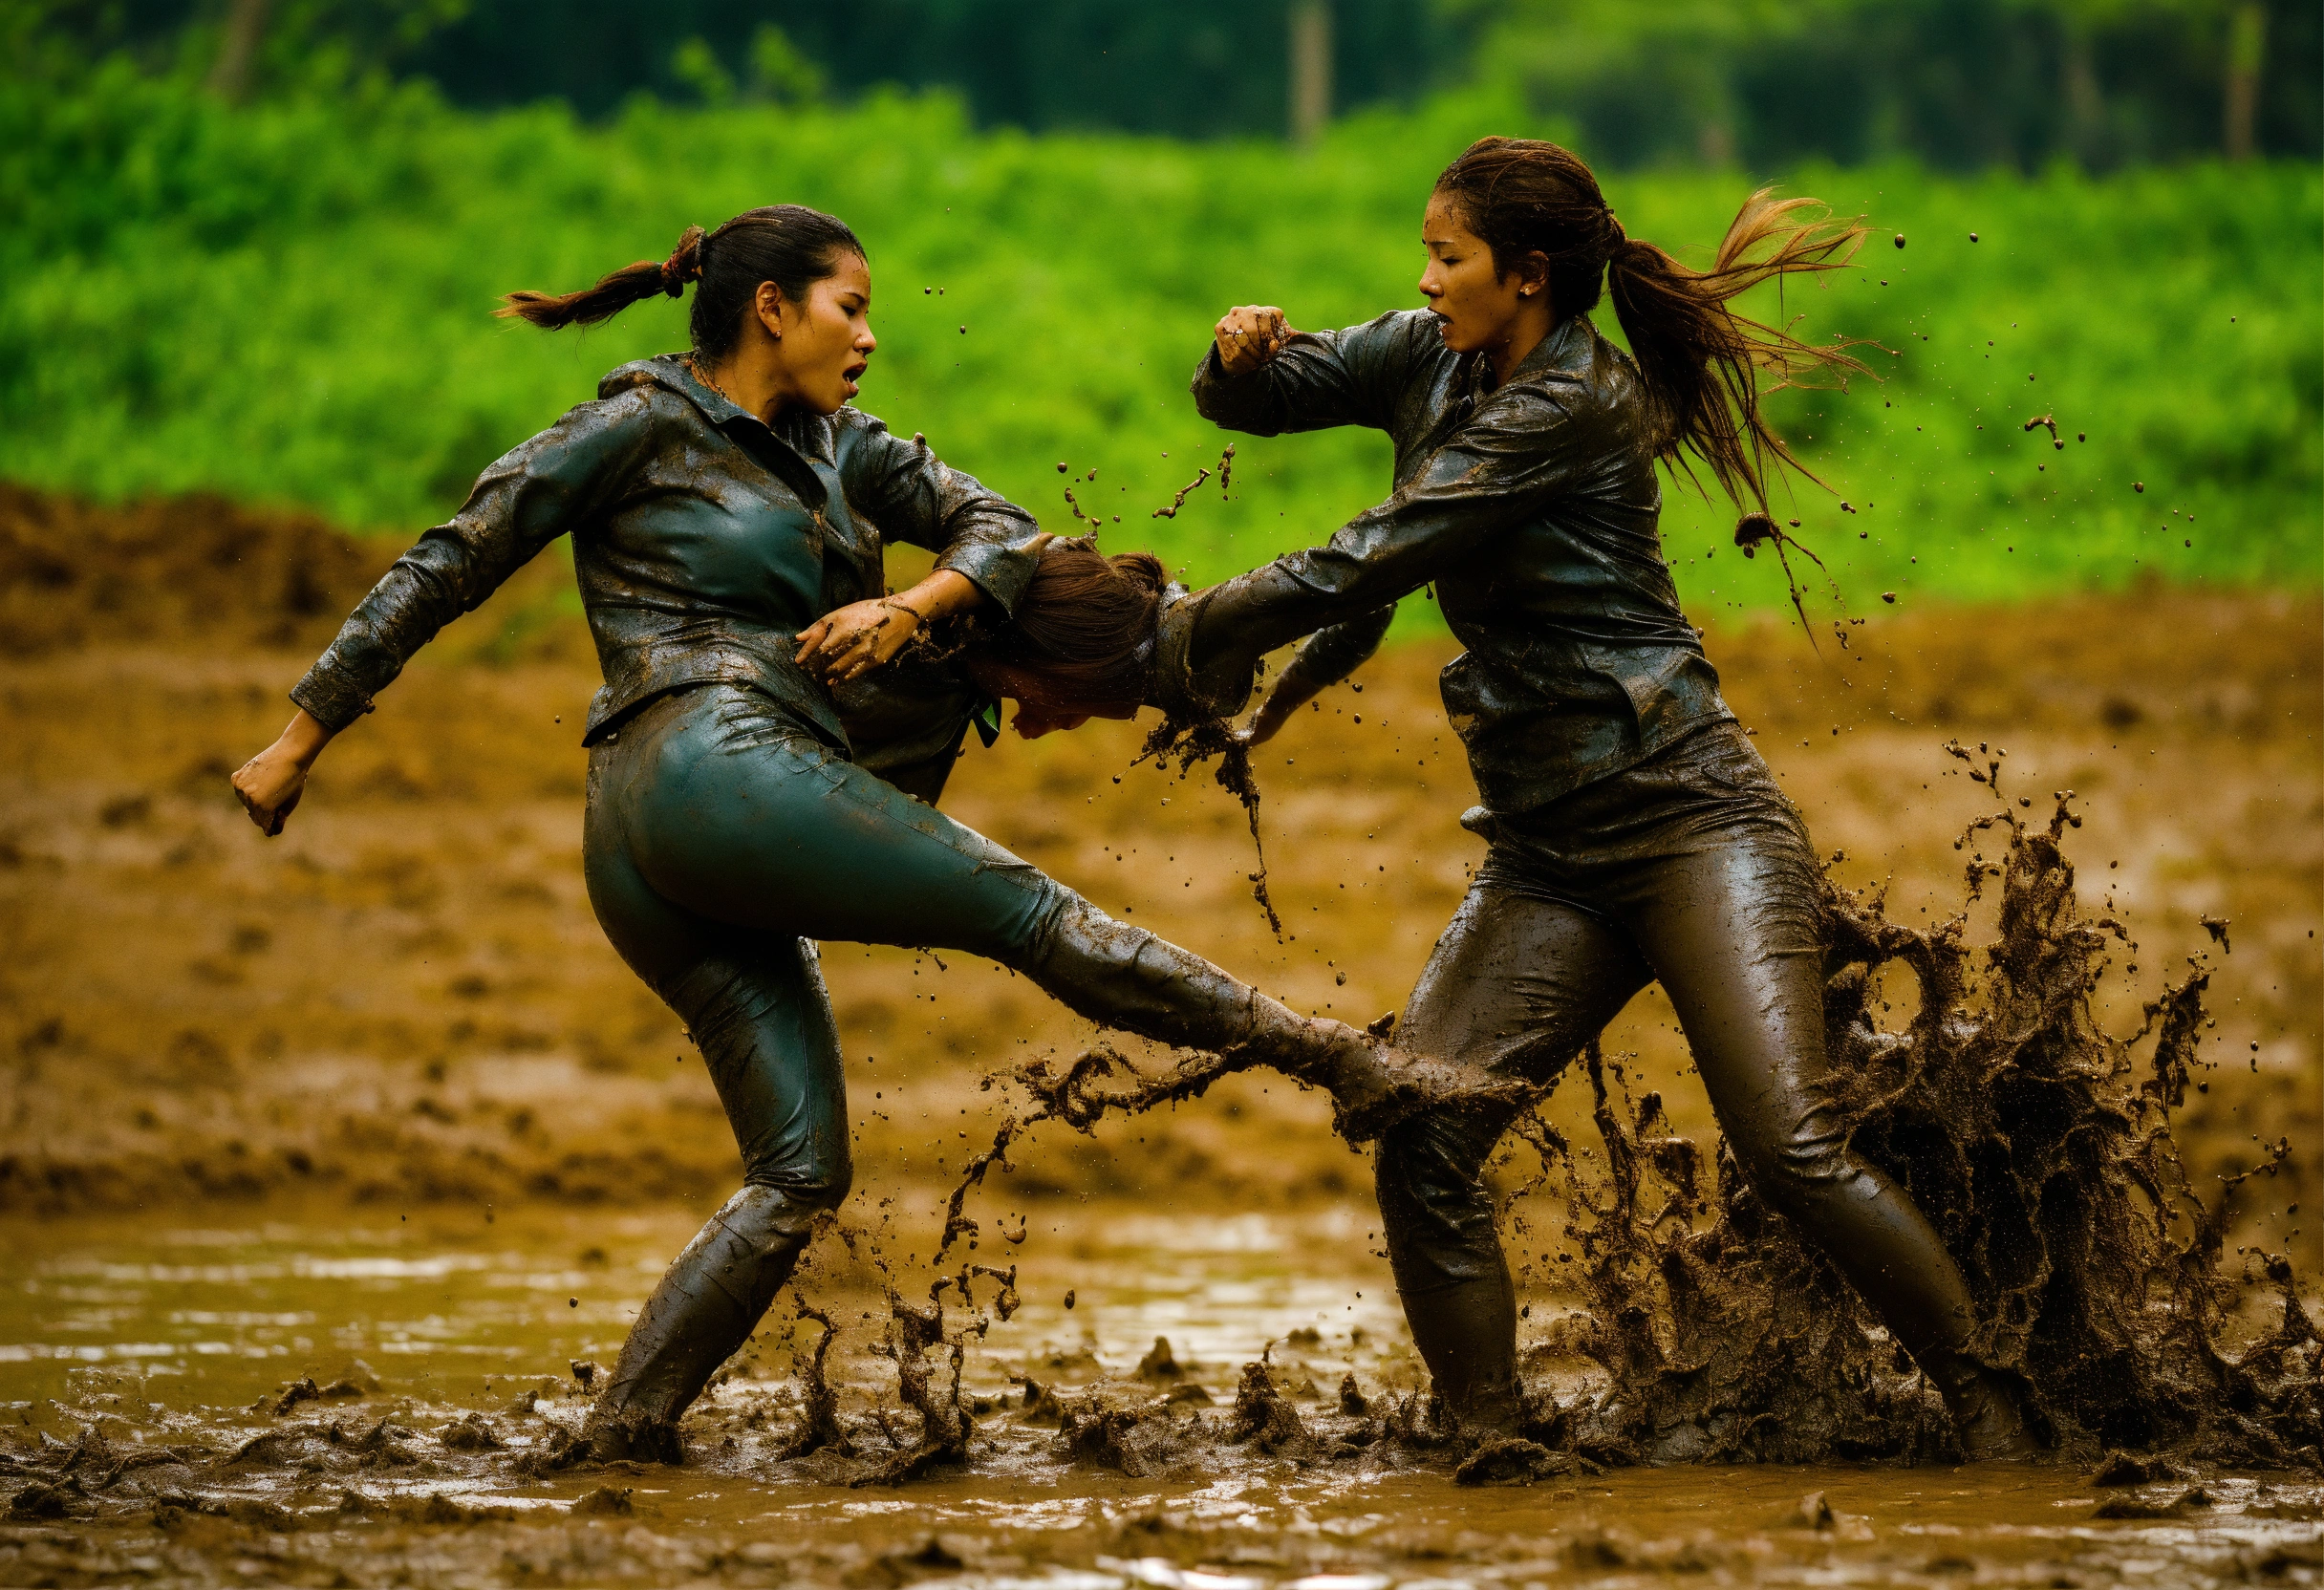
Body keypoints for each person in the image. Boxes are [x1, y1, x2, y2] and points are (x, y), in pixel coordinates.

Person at [228, 204, 1480, 1463]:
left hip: (667, 836)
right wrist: (302, 735)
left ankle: (619, 1437)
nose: (870, 337)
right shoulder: (636, 426)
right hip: (705, 764)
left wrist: (914, 601)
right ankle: (1342, 1063)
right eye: (850, 308)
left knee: (798, 1177)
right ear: (771, 308)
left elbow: (1006, 534)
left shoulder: (849, 448)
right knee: (1037, 916)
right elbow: (452, 560)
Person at [1150, 138, 2039, 1458]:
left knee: (1791, 1144)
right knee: (1426, 1136)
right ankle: (1489, 1441)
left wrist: (1184, 634)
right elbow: (1257, 404)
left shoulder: (1580, 403)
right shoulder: (1424, 352)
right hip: (1547, 851)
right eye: (1430, 253)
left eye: (1447, 257)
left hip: (1690, 818)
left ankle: (2001, 1417)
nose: (1425, 276)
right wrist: (1236, 359)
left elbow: (1375, 553)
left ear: (1529, 275)